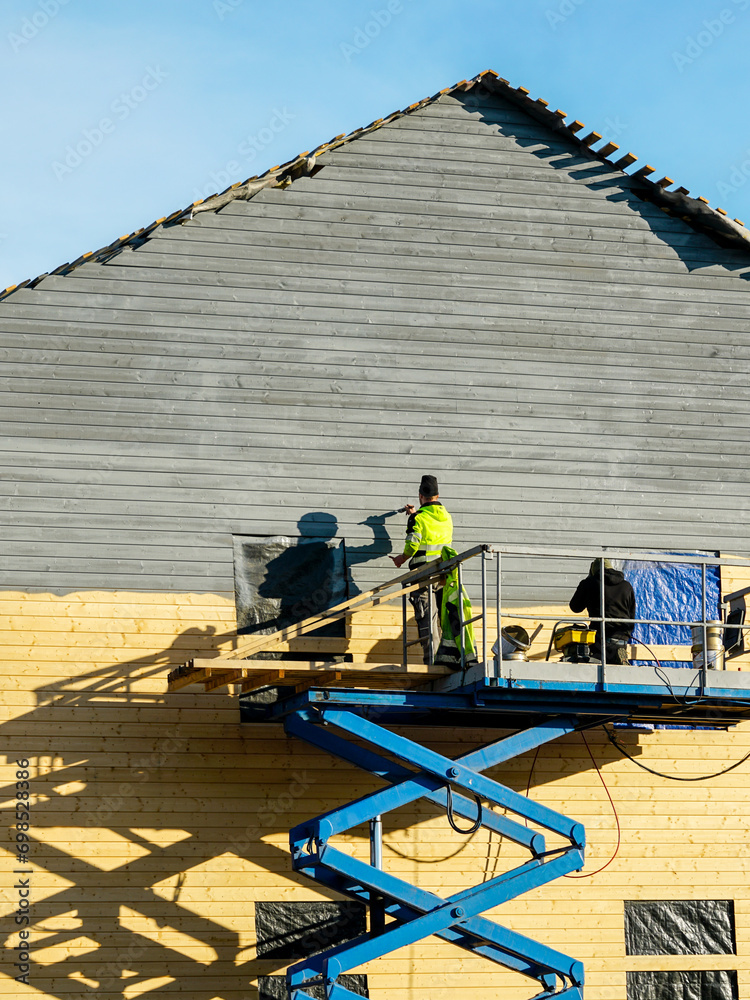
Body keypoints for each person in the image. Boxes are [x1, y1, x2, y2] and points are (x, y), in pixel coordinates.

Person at [391, 475, 453, 664]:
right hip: (443, 574)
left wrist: (401, 559)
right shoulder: (446, 516)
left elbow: (413, 544)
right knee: (442, 619)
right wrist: (415, 514)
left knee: (427, 619)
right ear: (437, 495)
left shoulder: (419, 518)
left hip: (423, 576)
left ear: (420, 495)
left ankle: (432, 663)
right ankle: (447, 658)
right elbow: (430, 529)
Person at [569, 559, 636, 665]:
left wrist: (587, 581)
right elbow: (632, 615)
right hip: (622, 638)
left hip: (599, 638)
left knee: (591, 663)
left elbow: (575, 607)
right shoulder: (626, 586)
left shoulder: (589, 583)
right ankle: (619, 653)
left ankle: (599, 658)